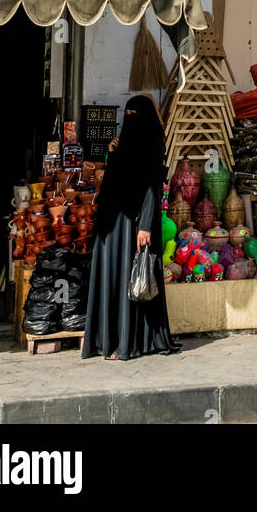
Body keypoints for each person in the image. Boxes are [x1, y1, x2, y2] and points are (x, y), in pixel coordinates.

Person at [82, 95, 178, 361]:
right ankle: (108, 339)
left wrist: (146, 226)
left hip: (135, 224)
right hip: (114, 224)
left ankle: (129, 341)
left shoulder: (153, 144)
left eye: (134, 114)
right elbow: (119, 179)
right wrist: (114, 154)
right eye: (127, 113)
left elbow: (151, 187)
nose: (129, 118)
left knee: (132, 278)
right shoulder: (125, 143)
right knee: (114, 278)